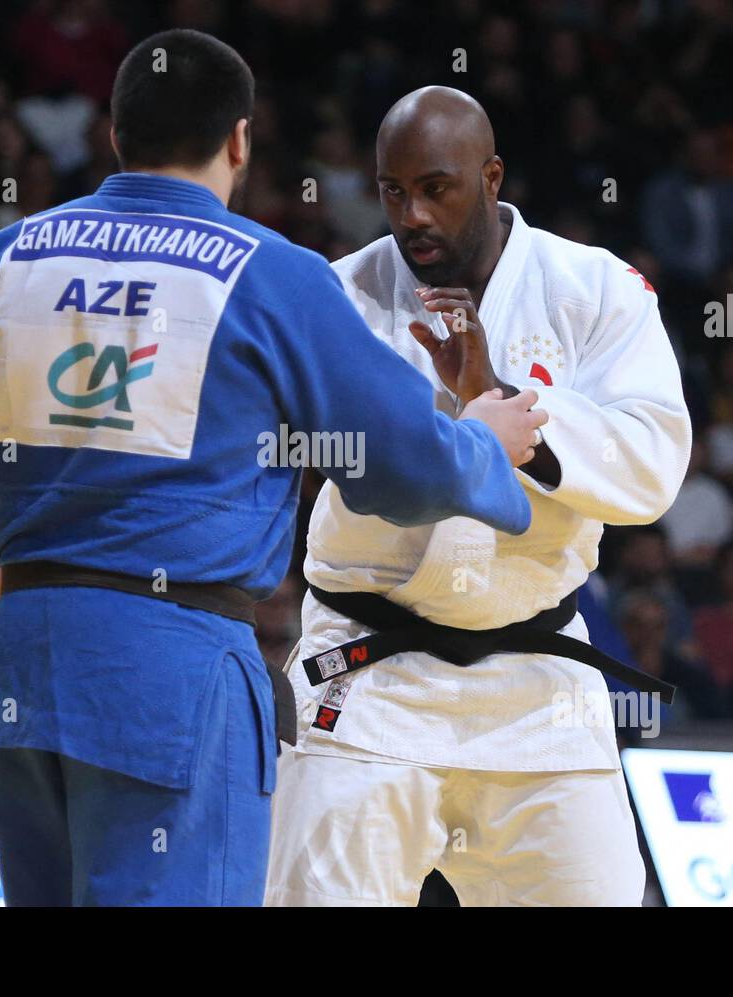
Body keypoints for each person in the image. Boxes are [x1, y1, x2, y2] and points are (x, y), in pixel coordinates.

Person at [0, 31, 546, 907]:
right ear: (239, 141)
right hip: (175, 679)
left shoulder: (3, 261)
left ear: (115, 135)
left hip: (25, 676)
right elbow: (399, 461)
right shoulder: (272, 276)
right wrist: (482, 442)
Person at [264, 86, 692, 907]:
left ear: (491, 176)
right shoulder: (337, 297)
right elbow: (262, 451)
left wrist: (497, 397)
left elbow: (653, 467)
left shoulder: (594, 288)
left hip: (536, 681)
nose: (412, 214)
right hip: (369, 672)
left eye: (436, 187)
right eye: (393, 191)